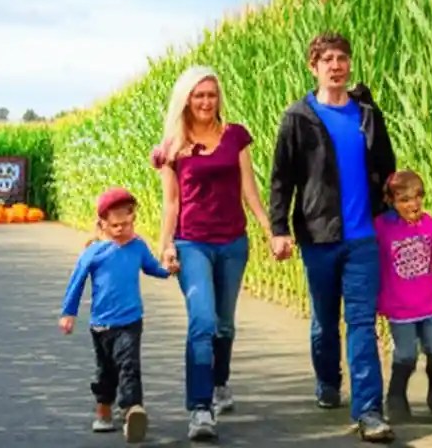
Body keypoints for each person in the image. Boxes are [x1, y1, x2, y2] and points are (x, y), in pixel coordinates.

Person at [267, 32, 397, 443]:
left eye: (342, 58)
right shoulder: (298, 118)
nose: (336, 66)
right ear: (314, 67)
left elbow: (387, 165)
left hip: (363, 238)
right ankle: (327, 381)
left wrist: (395, 215)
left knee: (361, 321)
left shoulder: (366, 114)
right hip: (319, 236)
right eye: (328, 60)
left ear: (350, 64)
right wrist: (278, 229)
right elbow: (281, 180)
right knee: (325, 321)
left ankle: (369, 411)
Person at [152, 66, 274, 442]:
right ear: (186, 99)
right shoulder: (171, 148)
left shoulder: (234, 137)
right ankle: (200, 408)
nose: (206, 102)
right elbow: (171, 203)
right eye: (198, 95)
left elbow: (250, 191)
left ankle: (220, 383)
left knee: (224, 324)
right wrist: (165, 244)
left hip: (233, 243)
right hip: (192, 244)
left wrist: (271, 231)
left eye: (211, 94)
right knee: (202, 321)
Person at [59, 186, 177, 444]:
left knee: (129, 365)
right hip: (101, 324)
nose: (122, 229)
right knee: (106, 372)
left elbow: (151, 268)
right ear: (102, 224)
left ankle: (132, 410)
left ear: (133, 219)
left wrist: (168, 270)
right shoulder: (95, 252)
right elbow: (76, 282)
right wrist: (68, 312)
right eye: (115, 225)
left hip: (130, 321)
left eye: (126, 223)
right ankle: (103, 410)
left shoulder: (138, 247)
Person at [373, 170, 432, 426]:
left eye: (418, 197)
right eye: (405, 200)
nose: (414, 204)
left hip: (428, 305)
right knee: (406, 355)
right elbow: (372, 261)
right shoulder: (382, 227)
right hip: (400, 308)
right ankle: (396, 398)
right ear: (392, 201)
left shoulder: (429, 224)